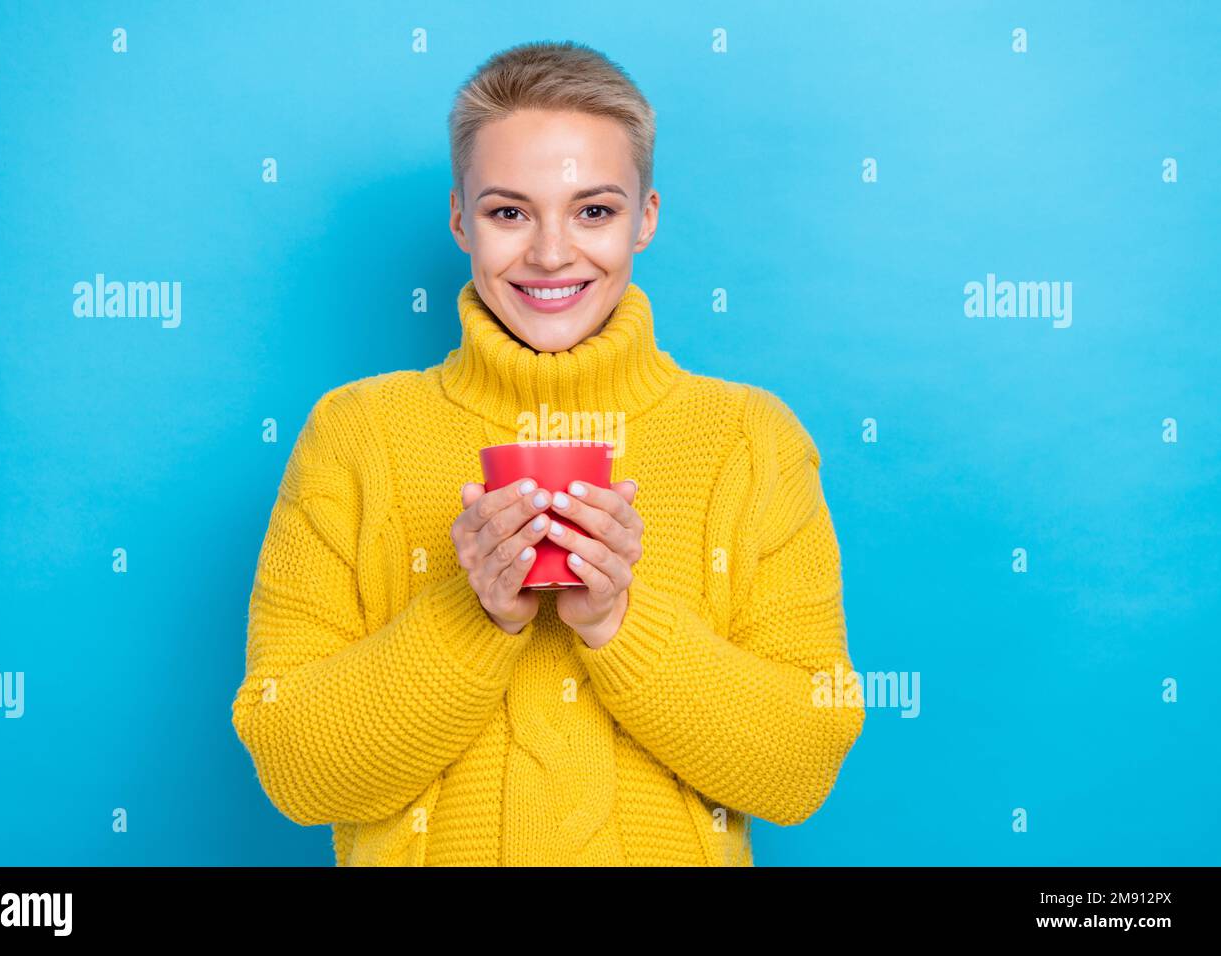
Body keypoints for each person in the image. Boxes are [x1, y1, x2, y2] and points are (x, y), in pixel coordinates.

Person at [230, 39, 864, 867]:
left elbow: (799, 769)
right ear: (461, 219)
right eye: (509, 212)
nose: (552, 253)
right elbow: (297, 770)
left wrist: (616, 622)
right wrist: (475, 613)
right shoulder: (356, 433)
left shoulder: (753, 440)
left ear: (647, 218)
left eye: (594, 210)